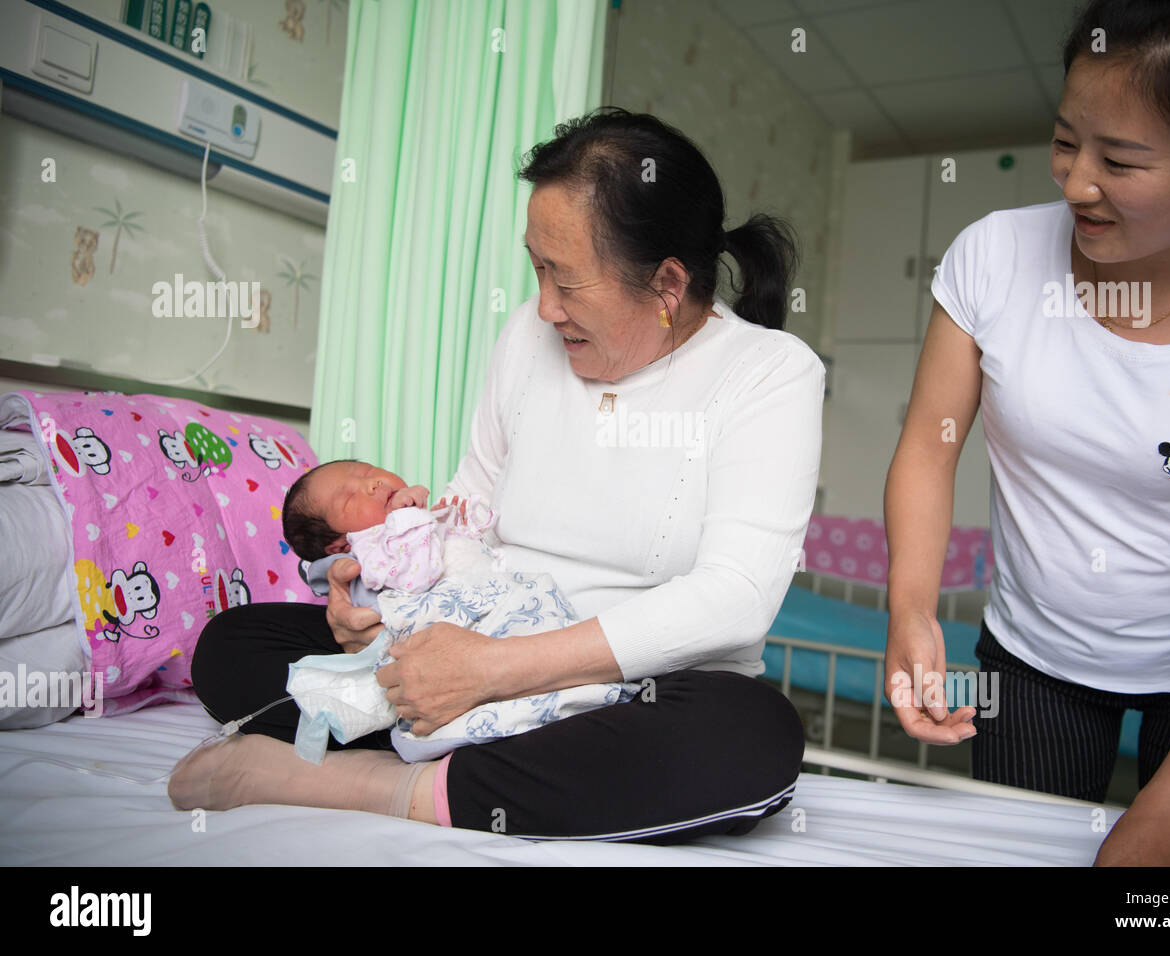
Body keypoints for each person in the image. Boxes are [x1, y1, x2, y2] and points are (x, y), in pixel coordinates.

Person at [168, 107, 823, 843]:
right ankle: (476, 763)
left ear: (667, 285)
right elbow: (467, 505)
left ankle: (369, 781)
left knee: (751, 739)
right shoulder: (527, 335)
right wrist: (380, 618)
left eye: (565, 281)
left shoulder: (768, 375)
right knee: (232, 645)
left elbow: (733, 601)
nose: (544, 307)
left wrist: (495, 670)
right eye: (536, 267)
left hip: (622, 692)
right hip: (469, 637)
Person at [884, 0, 1170, 865]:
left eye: (1122, 160)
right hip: (1032, 659)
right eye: (1068, 141)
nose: (1076, 182)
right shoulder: (993, 257)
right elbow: (931, 441)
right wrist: (912, 607)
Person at [278, 461, 636, 764]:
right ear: (339, 544)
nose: (371, 483)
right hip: (440, 637)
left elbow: (467, 553)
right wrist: (407, 518)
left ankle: (560, 705)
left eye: (367, 470)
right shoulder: (371, 550)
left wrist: (462, 523)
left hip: (494, 627)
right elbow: (419, 573)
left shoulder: (412, 524)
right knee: (242, 632)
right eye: (350, 496)